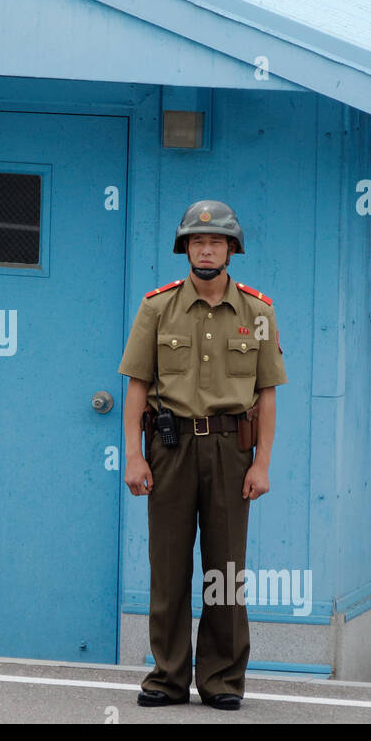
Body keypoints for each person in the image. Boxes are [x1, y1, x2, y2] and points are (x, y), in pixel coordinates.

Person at [117, 199, 287, 711]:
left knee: (225, 571)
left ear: (231, 250)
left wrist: (262, 463)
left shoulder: (258, 312)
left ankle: (221, 679)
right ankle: (168, 676)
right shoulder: (157, 308)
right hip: (170, 449)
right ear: (185, 248)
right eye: (197, 241)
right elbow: (137, 386)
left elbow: (267, 394)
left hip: (231, 451)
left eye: (215, 242)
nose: (206, 249)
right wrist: (134, 456)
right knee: (168, 567)